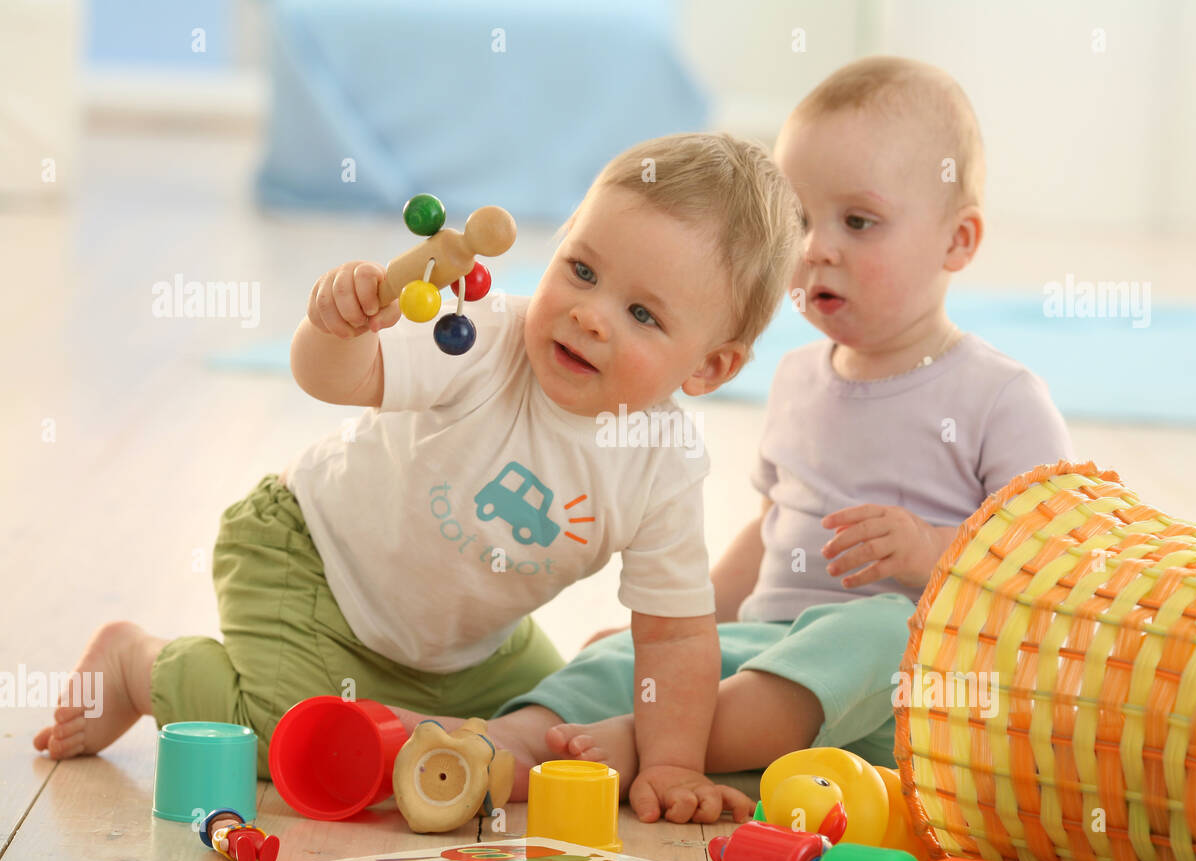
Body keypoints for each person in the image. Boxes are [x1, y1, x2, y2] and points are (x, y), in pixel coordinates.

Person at [33, 131, 803, 825]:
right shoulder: (481, 339)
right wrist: (337, 329)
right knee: (309, 744)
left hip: (466, 647)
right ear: (560, 243)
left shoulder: (663, 461)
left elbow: (673, 636)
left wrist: (671, 765)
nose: (591, 315)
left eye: (642, 314)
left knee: (558, 726)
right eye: (582, 270)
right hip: (311, 563)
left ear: (710, 367)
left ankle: (442, 716)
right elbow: (336, 376)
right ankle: (141, 664)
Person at [518, 56, 1075, 813]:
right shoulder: (798, 379)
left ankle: (653, 744)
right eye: (800, 221)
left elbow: (1055, 572)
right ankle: (497, 749)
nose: (816, 247)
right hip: (769, 657)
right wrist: (684, 625)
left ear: (958, 241)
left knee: (884, 629)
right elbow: (774, 525)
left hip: (913, 693)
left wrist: (929, 552)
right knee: (620, 655)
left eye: (857, 221)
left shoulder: (1000, 397)